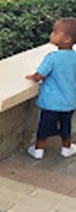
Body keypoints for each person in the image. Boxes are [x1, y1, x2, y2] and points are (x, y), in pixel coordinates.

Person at [25, 18, 76, 160]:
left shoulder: (52, 57)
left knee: (44, 127)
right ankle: (66, 148)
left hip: (50, 103)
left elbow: (40, 75)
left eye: (55, 32)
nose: (51, 34)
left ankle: (38, 150)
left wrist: (33, 77)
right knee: (66, 127)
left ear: (66, 39)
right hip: (69, 102)